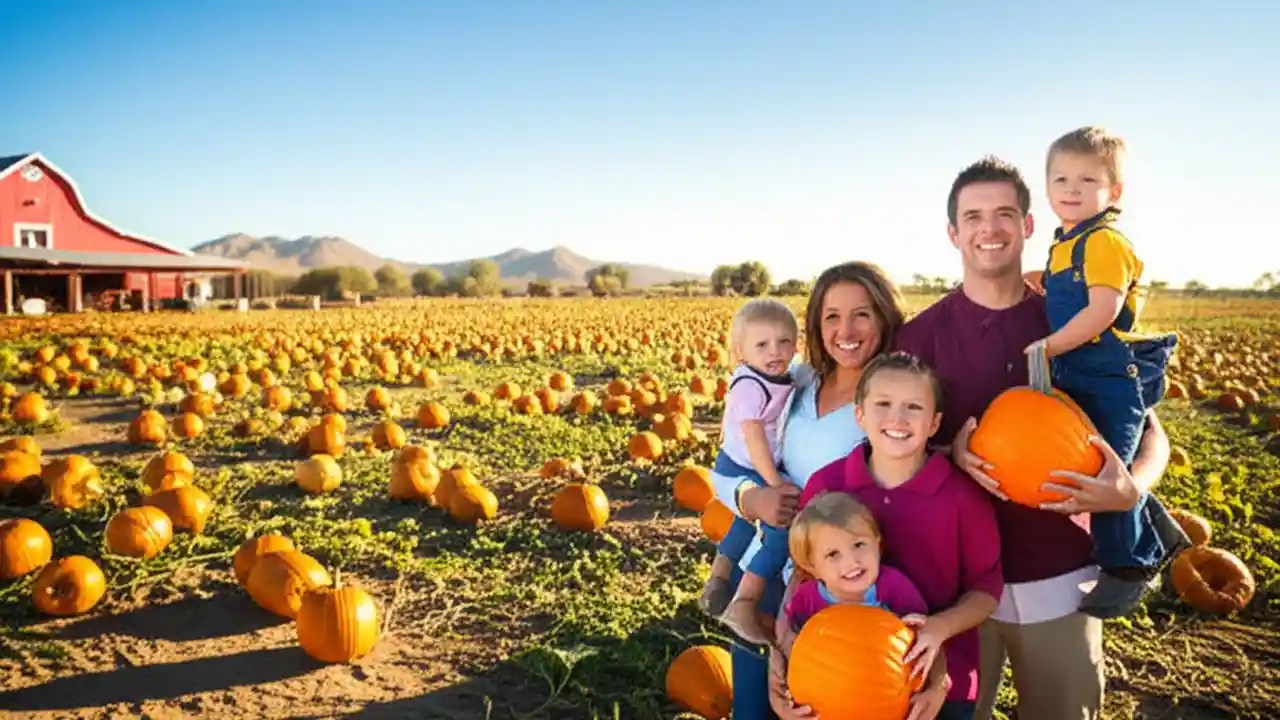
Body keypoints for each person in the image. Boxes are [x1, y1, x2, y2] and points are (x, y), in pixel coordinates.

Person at [895, 156, 1176, 720]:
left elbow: (1149, 431)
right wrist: (952, 452)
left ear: (1027, 225)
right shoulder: (918, 336)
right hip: (953, 585)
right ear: (953, 233)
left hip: (1061, 573)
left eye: (1004, 213)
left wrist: (1130, 490)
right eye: (973, 216)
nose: (989, 228)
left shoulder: (1075, 323)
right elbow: (894, 445)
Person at [709, 261, 915, 720]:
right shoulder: (796, 382)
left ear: (885, 316)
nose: (846, 329)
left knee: (818, 703)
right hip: (764, 571)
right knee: (752, 707)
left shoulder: (892, 403)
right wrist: (748, 498)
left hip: (835, 588)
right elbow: (725, 467)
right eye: (831, 316)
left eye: (862, 314)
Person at [771, 352, 1002, 720]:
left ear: (934, 423)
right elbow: (804, 569)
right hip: (833, 677)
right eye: (883, 404)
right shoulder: (828, 485)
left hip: (932, 681)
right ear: (859, 414)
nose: (897, 418)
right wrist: (783, 644)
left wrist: (939, 628)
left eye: (913, 407)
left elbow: (986, 591)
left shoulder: (963, 497)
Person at [1025, 126, 1187, 617]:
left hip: (1112, 373)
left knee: (1108, 469)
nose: (1071, 189)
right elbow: (1072, 290)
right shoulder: (1068, 243)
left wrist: (1047, 347)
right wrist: (1044, 282)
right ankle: (1155, 527)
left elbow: (1101, 311)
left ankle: (1130, 566)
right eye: (1060, 179)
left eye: (1086, 179)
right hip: (1082, 371)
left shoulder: (1105, 241)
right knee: (1085, 461)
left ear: (1113, 192)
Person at [699, 298, 800, 644]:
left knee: (743, 522)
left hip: (751, 461)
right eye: (762, 345)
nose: (775, 351)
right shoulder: (748, 386)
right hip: (745, 462)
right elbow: (754, 436)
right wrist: (773, 483)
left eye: (785, 341)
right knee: (778, 529)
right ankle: (744, 602)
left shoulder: (782, 374)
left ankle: (720, 578)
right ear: (741, 352)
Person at [779, 490, 929, 642]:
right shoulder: (806, 600)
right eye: (833, 554)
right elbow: (792, 635)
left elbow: (921, 627)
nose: (852, 562)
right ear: (812, 568)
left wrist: (915, 628)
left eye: (858, 545)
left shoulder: (894, 587)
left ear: (877, 542)